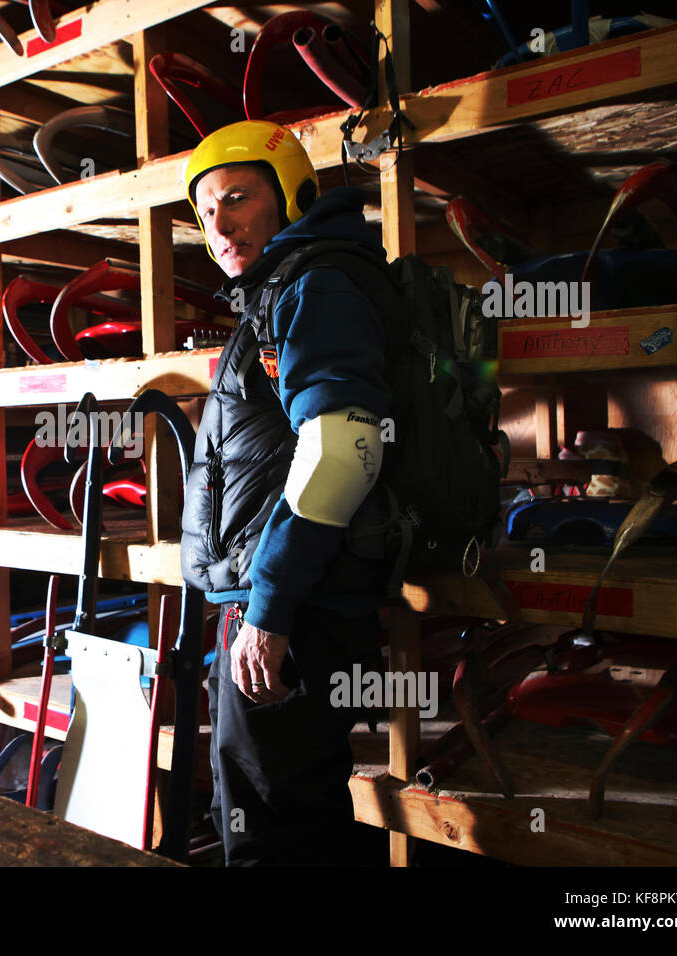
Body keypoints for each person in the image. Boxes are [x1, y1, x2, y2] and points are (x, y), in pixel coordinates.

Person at [180, 119, 391, 866]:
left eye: (237, 198)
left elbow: (345, 449)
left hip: (294, 613)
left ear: (293, 195)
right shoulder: (282, 290)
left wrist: (266, 613)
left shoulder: (313, 285)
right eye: (207, 211)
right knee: (279, 812)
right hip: (280, 603)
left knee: (273, 826)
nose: (221, 224)